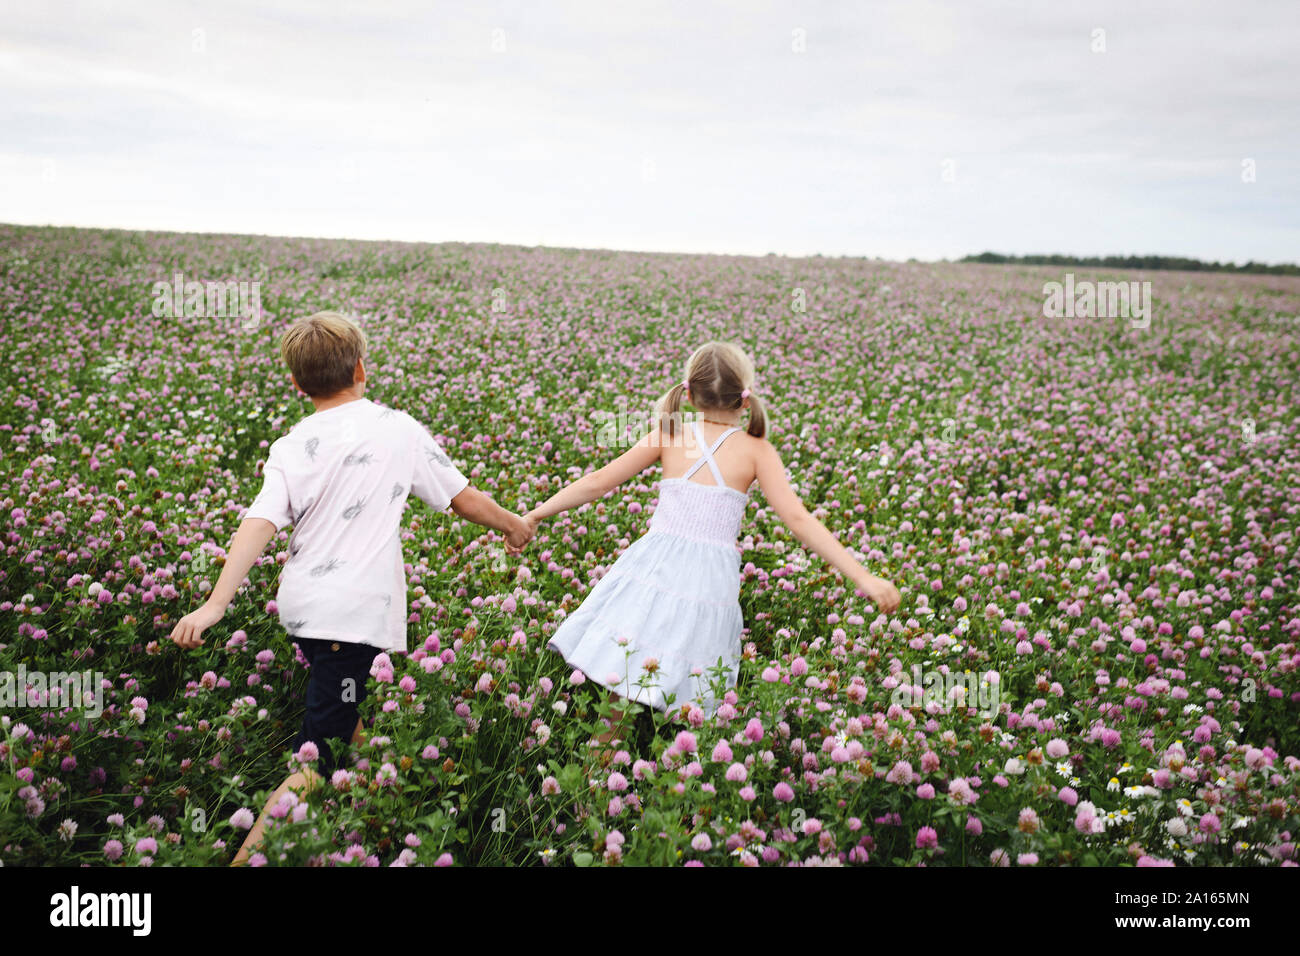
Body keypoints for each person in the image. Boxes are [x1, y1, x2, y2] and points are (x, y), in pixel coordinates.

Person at [169, 310, 531, 865]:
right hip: (351, 616)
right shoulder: (398, 429)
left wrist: (217, 602)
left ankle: (375, 817)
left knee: (347, 714)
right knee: (316, 762)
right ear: (362, 368)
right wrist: (513, 524)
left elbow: (258, 523)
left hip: (307, 609)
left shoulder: (292, 444)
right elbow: (462, 498)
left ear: (296, 385)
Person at [520, 341, 900, 756]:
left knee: (621, 691)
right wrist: (864, 576)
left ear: (689, 394)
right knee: (698, 701)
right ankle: (683, 785)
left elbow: (598, 482)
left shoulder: (670, 436)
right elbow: (799, 520)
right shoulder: (757, 450)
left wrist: (536, 514)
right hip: (709, 585)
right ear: (744, 397)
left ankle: (590, 792)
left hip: (653, 572)